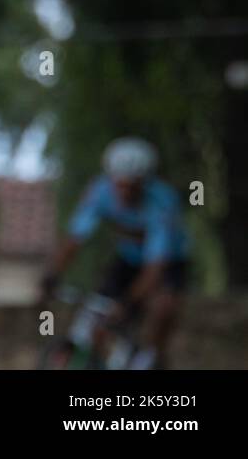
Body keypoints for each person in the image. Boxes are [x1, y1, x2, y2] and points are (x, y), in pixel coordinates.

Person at [41, 136, 189, 369]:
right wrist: (51, 274)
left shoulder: (162, 203)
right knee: (98, 317)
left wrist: (129, 302)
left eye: (132, 186)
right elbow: (73, 239)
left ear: (145, 182)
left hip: (167, 263)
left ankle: (152, 358)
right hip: (127, 259)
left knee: (162, 308)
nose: (125, 192)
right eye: (119, 185)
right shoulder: (99, 192)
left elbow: (156, 266)